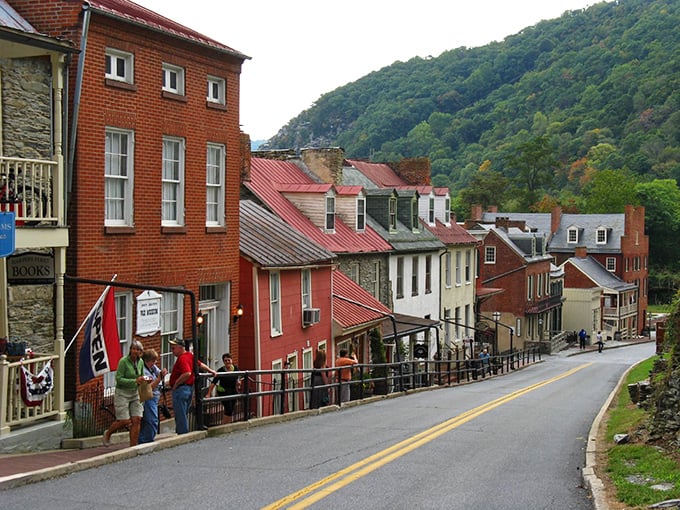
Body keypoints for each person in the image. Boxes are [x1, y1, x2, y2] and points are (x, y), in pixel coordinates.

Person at [168, 338, 216, 434]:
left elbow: (187, 373)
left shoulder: (182, 358)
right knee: (183, 413)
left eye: (174, 347)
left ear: (180, 347)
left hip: (181, 389)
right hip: (188, 388)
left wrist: (176, 384)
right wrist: (211, 371)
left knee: (180, 414)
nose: (172, 350)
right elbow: (200, 364)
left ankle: (183, 434)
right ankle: (182, 433)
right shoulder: (189, 355)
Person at [103, 339, 145, 446]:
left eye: (138, 350)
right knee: (124, 421)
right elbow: (119, 379)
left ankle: (133, 445)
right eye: (134, 349)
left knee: (137, 419)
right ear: (130, 350)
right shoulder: (123, 362)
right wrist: (134, 381)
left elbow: (141, 375)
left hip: (135, 392)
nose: (135, 352)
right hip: (123, 393)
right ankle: (108, 433)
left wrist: (144, 380)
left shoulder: (140, 362)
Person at [138, 349, 167, 444]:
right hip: (148, 397)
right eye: (152, 361)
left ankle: (144, 439)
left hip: (155, 397)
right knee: (152, 420)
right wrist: (159, 379)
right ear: (146, 361)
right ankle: (146, 440)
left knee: (147, 420)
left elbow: (159, 372)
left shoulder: (152, 367)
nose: (154, 363)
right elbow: (148, 387)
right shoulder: (143, 370)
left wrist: (162, 373)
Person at [205, 353, 242, 424]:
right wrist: (209, 393)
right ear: (223, 362)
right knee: (228, 408)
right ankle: (224, 424)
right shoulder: (220, 370)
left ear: (232, 360)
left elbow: (239, 377)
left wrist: (239, 382)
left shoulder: (235, 368)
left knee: (231, 409)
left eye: (229, 360)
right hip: (223, 391)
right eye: (225, 361)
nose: (227, 362)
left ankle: (228, 424)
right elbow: (214, 382)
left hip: (233, 390)